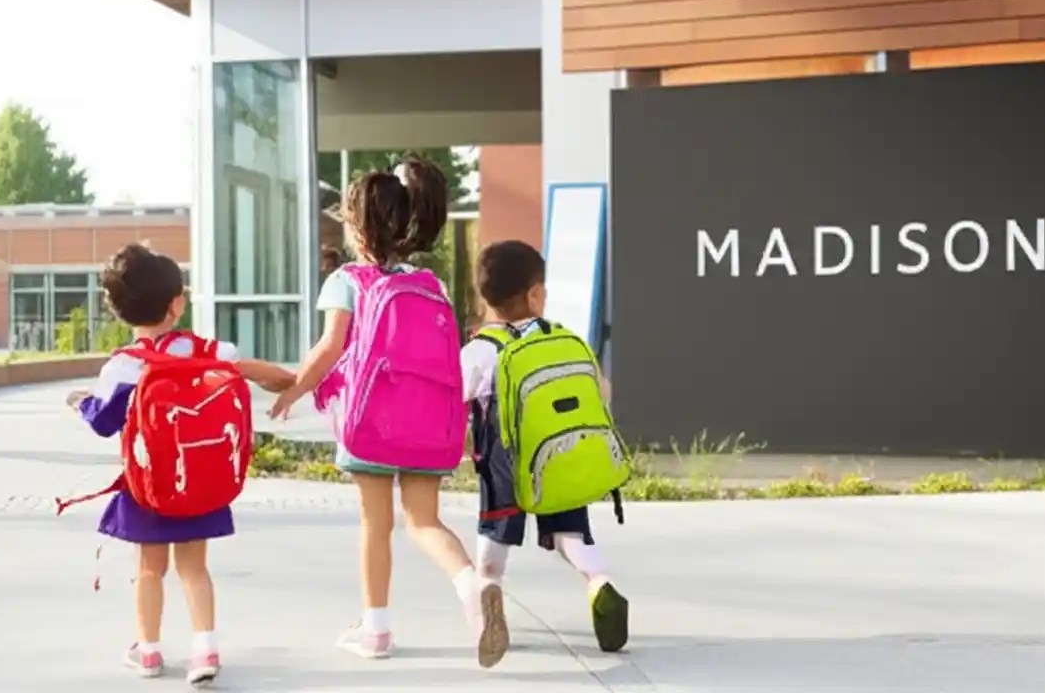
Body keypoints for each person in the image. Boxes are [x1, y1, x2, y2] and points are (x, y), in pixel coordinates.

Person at [268, 160, 510, 667]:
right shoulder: (430, 284)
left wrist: (293, 388)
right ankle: (472, 589)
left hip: (371, 425)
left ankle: (375, 628)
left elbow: (330, 347)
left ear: (357, 226)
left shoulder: (348, 279)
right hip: (426, 425)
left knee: (374, 525)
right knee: (425, 522)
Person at [74, 243, 293, 686]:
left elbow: (102, 422)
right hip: (199, 482)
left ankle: (149, 651)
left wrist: (80, 404)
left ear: (120, 310)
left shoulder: (122, 366)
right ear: (178, 304)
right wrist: (284, 381)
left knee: (149, 569)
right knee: (195, 569)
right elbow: (271, 374)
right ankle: (205, 649)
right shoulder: (211, 350)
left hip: (148, 486)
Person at [462, 240, 630, 654]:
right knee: (568, 531)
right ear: (536, 295)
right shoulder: (564, 338)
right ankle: (599, 582)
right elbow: (602, 394)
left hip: (503, 462)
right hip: (559, 458)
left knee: (496, 536)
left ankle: (489, 593)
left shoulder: (481, 349)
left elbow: (455, 405)